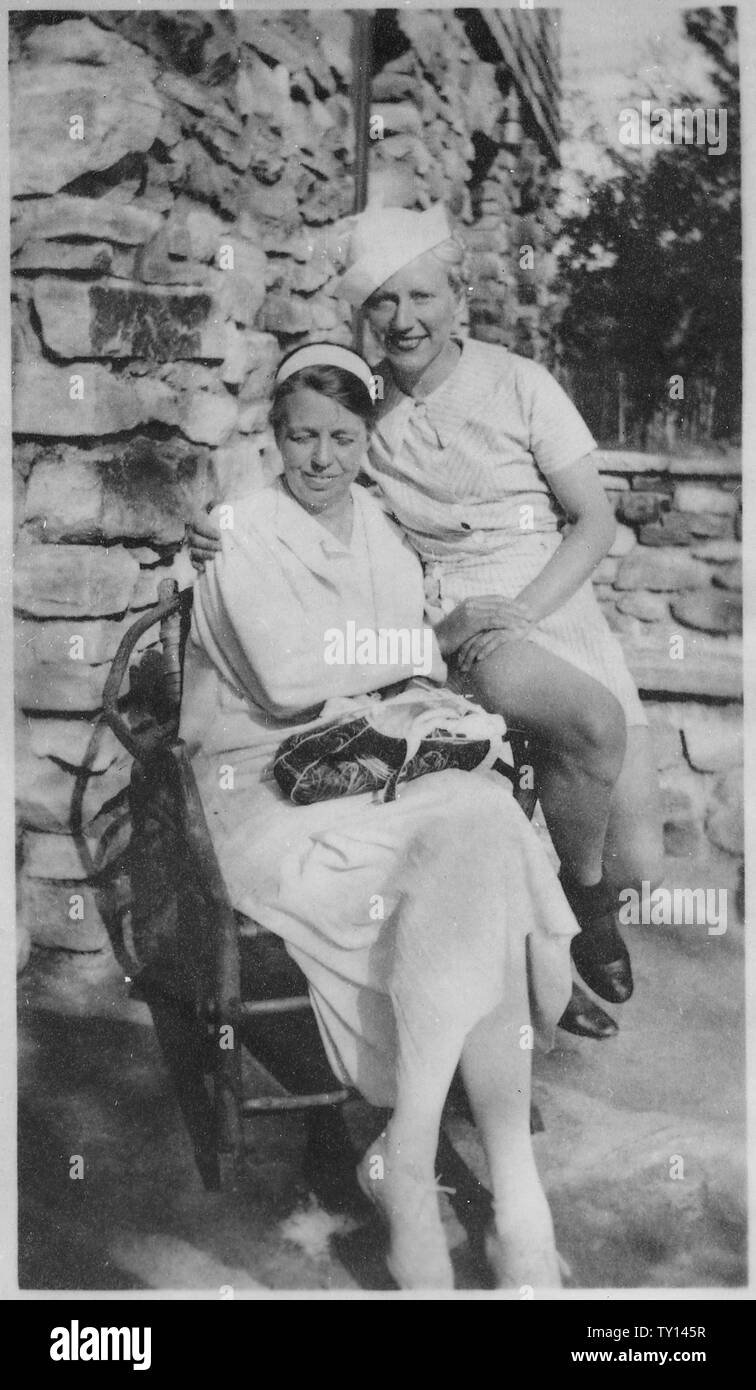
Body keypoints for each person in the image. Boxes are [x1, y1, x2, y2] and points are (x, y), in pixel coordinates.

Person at [191, 204, 664, 1041]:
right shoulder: (367, 402)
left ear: (460, 293)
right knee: (590, 727)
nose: (403, 320)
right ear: (363, 314)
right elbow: (299, 457)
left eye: (420, 297)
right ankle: (579, 924)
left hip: (553, 597)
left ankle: (581, 900)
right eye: (381, 303)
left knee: (643, 857)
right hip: (467, 614)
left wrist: (534, 606)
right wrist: (221, 525)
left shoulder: (520, 382)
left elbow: (594, 522)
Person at [179, 343, 579, 1290]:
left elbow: (402, 669)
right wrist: (410, 650)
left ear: (367, 438)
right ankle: (470, 1189)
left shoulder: (381, 524)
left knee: (480, 826)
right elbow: (284, 682)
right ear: (274, 438)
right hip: (270, 792)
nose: (322, 457)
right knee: (474, 847)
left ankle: (453, 1177)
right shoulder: (239, 525)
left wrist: (407, 664)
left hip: (375, 764)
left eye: (342, 437)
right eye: (302, 437)